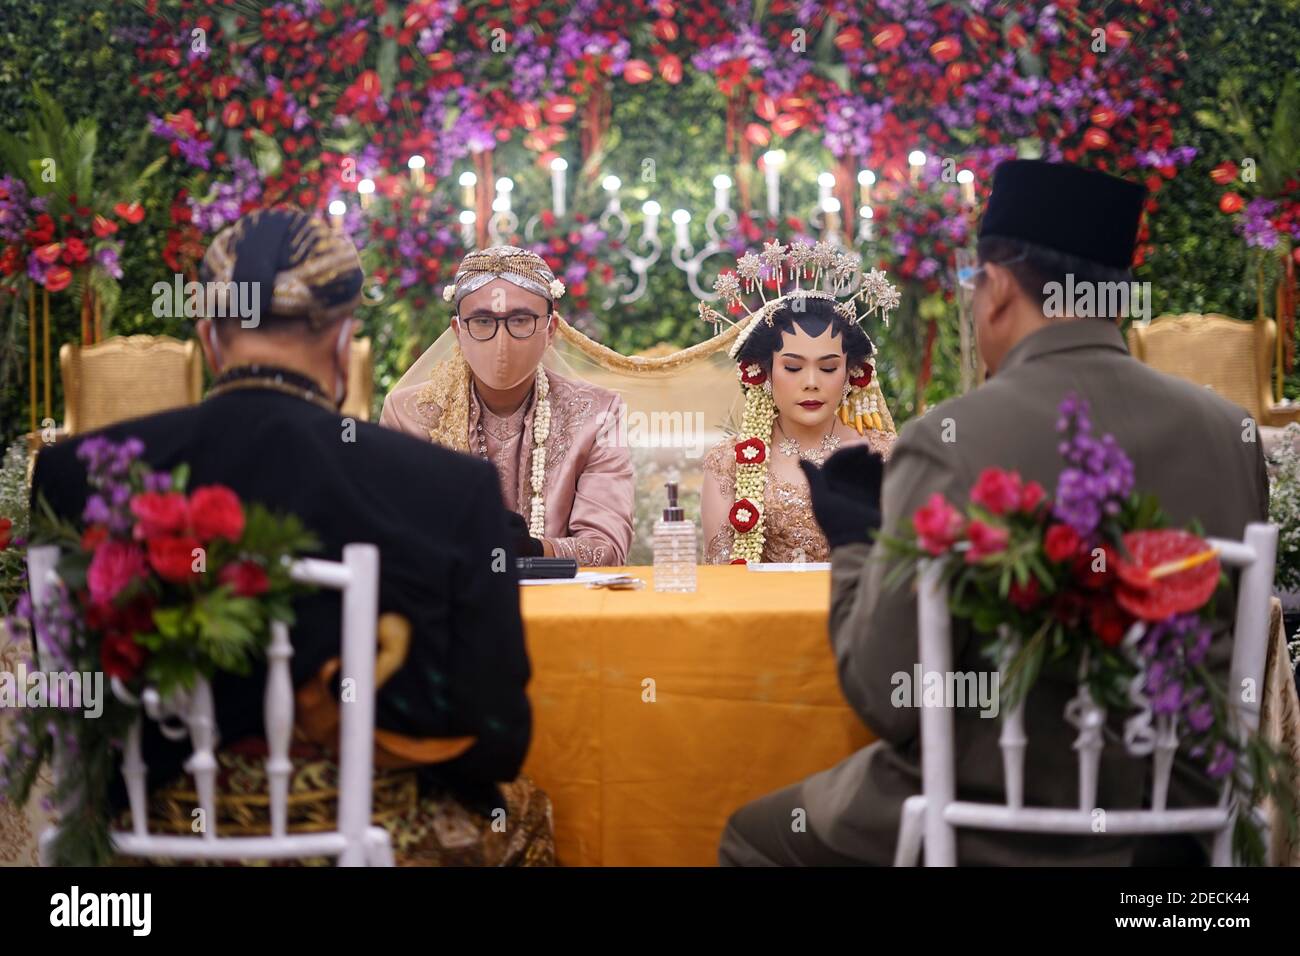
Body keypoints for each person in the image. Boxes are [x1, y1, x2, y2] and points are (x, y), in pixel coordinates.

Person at [719, 160, 1270, 866]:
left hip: (1000, 817)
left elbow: (888, 699)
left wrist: (856, 541)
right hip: (1178, 826)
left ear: (1000, 289)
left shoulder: (953, 439)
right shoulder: (1231, 432)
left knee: (753, 835)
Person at [31, 208, 554, 865]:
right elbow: (497, 738)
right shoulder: (449, 489)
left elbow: (68, 706)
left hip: (154, 841)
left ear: (209, 337)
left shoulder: (72, 474)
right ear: (342, 341)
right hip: (375, 835)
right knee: (529, 810)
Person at [381, 245, 634, 567]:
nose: (502, 344)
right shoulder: (408, 414)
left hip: (565, 604)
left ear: (550, 330)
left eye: (521, 320)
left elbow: (607, 549)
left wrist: (531, 549)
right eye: (483, 321)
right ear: (459, 331)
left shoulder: (598, 413)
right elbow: (393, 538)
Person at [699, 239, 899, 564]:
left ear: (852, 374)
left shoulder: (886, 455)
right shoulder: (729, 463)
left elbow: (907, 564)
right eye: (792, 367)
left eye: (828, 367)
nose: (810, 383)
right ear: (763, 372)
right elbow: (723, 576)